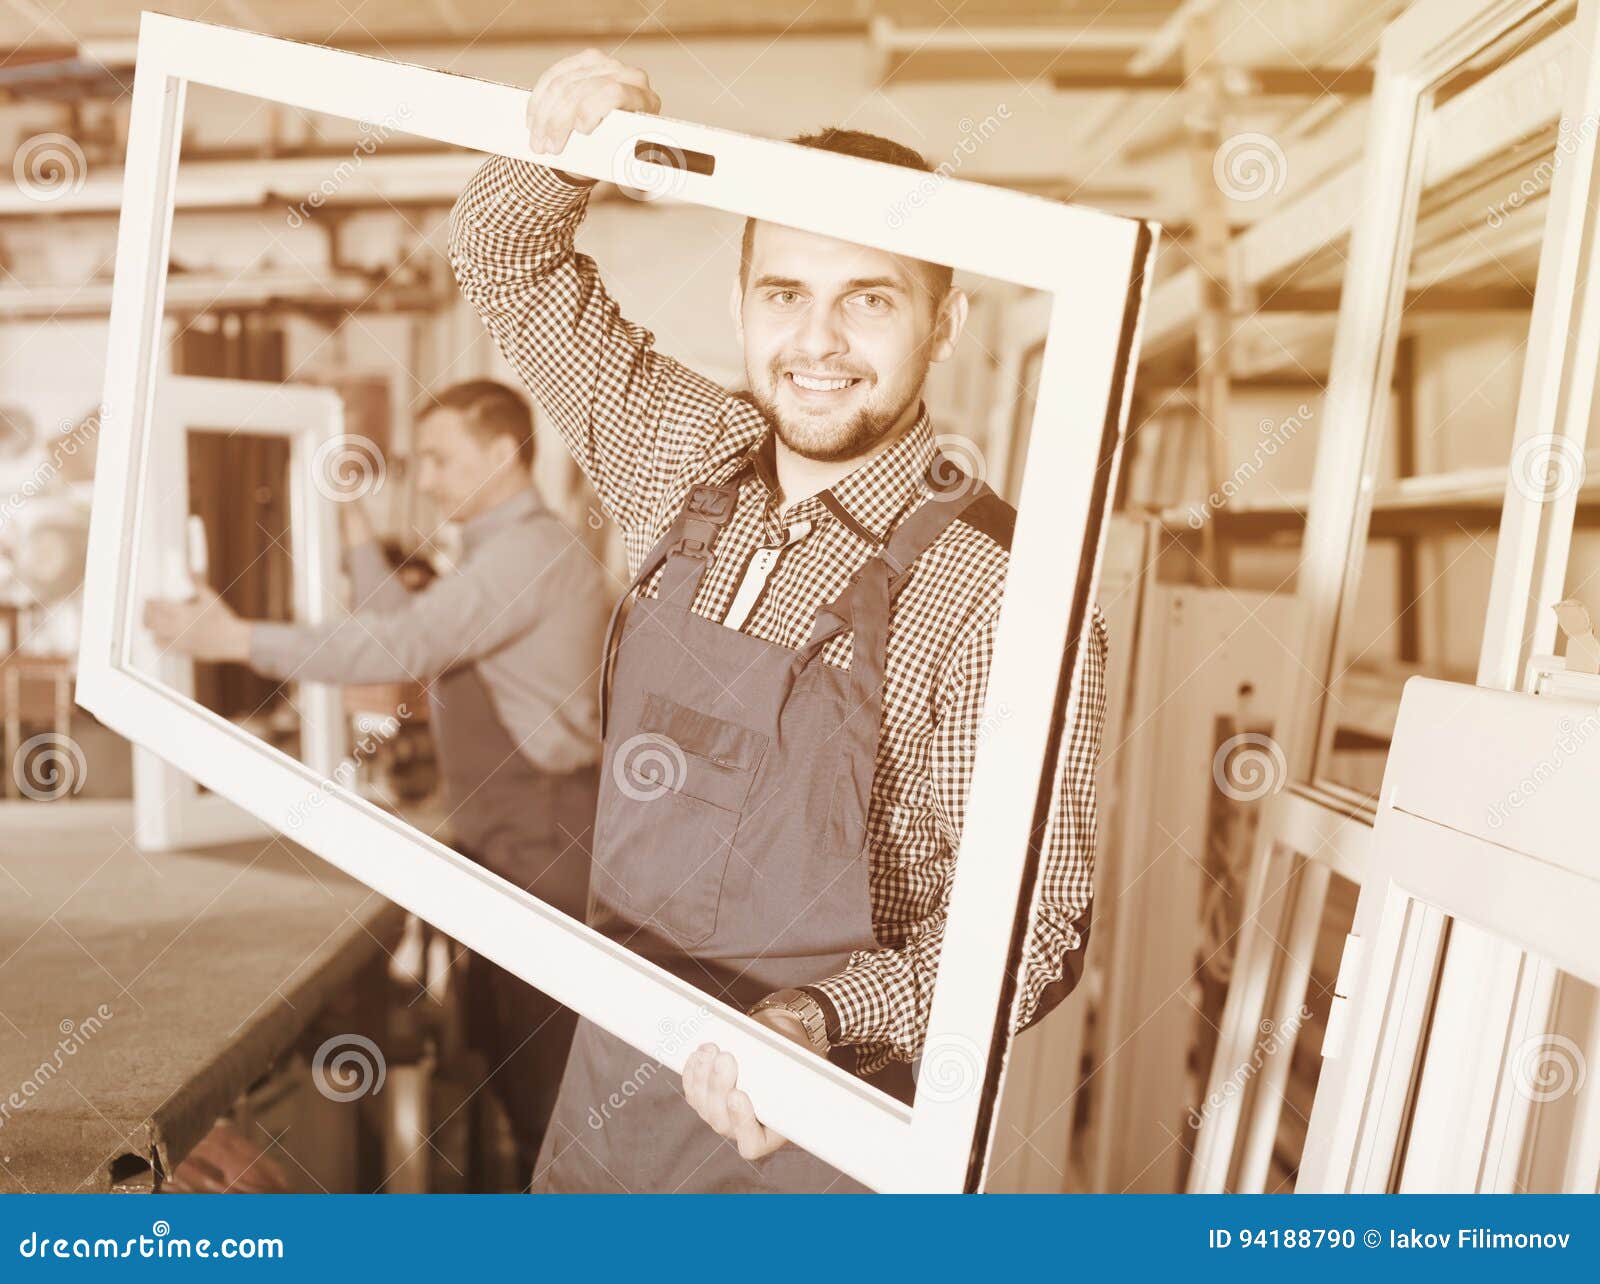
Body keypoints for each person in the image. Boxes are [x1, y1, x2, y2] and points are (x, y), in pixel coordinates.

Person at [448, 48, 1109, 1194]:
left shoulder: (1001, 589)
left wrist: (807, 1025)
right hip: (613, 1080)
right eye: (785, 294)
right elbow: (505, 261)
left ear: (943, 324)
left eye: (869, 298)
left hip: (816, 1122)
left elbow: (1031, 931)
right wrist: (583, 137)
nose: (818, 343)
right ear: (743, 301)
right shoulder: (680, 458)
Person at [144, 379, 611, 1187]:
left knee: (550, 1093)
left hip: (547, 849)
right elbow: (401, 626)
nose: (424, 477)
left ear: (501, 454)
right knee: (511, 1069)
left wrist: (231, 636)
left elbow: (398, 651)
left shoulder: (529, 554)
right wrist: (355, 528)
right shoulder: (497, 555)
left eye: (438, 458)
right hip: (512, 843)